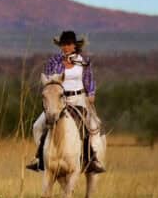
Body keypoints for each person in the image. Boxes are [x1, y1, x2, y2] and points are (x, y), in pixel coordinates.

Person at [26, 30, 106, 173]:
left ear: (74, 45)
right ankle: (41, 157)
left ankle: (92, 159)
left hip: (78, 99)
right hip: (58, 101)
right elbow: (49, 82)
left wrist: (91, 94)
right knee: (37, 126)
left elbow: (89, 80)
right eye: (63, 44)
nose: (66, 47)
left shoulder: (83, 61)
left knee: (92, 127)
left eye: (68, 44)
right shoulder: (54, 61)